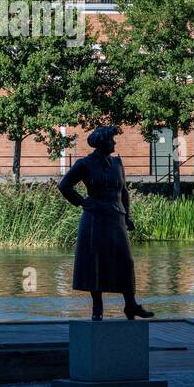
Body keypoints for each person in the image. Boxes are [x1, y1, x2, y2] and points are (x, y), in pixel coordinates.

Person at [57, 125, 154, 321]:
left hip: (116, 218)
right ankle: (97, 307)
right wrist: (82, 201)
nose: (115, 142)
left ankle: (131, 305)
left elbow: (124, 192)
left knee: (125, 261)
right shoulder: (85, 164)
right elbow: (64, 185)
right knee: (96, 262)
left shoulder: (117, 163)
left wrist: (127, 217)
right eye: (112, 139)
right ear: (102, 142)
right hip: (95, 218)